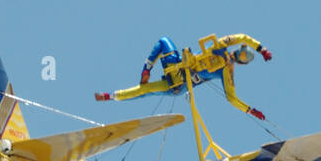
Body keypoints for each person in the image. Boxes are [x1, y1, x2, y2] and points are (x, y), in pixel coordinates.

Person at [94, 33, 272, 119]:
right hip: (178, 65)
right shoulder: (221, 46)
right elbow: (243, 37)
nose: (235, 57)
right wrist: (261, 49)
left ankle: (110, 96)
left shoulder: (227, 73)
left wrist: (250, 110)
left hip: (179, 84)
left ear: (241, 63)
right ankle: (146, 69)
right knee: (164, 41)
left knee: (145, 90)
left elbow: (232, 98)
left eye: (240, 58)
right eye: (240, 53)